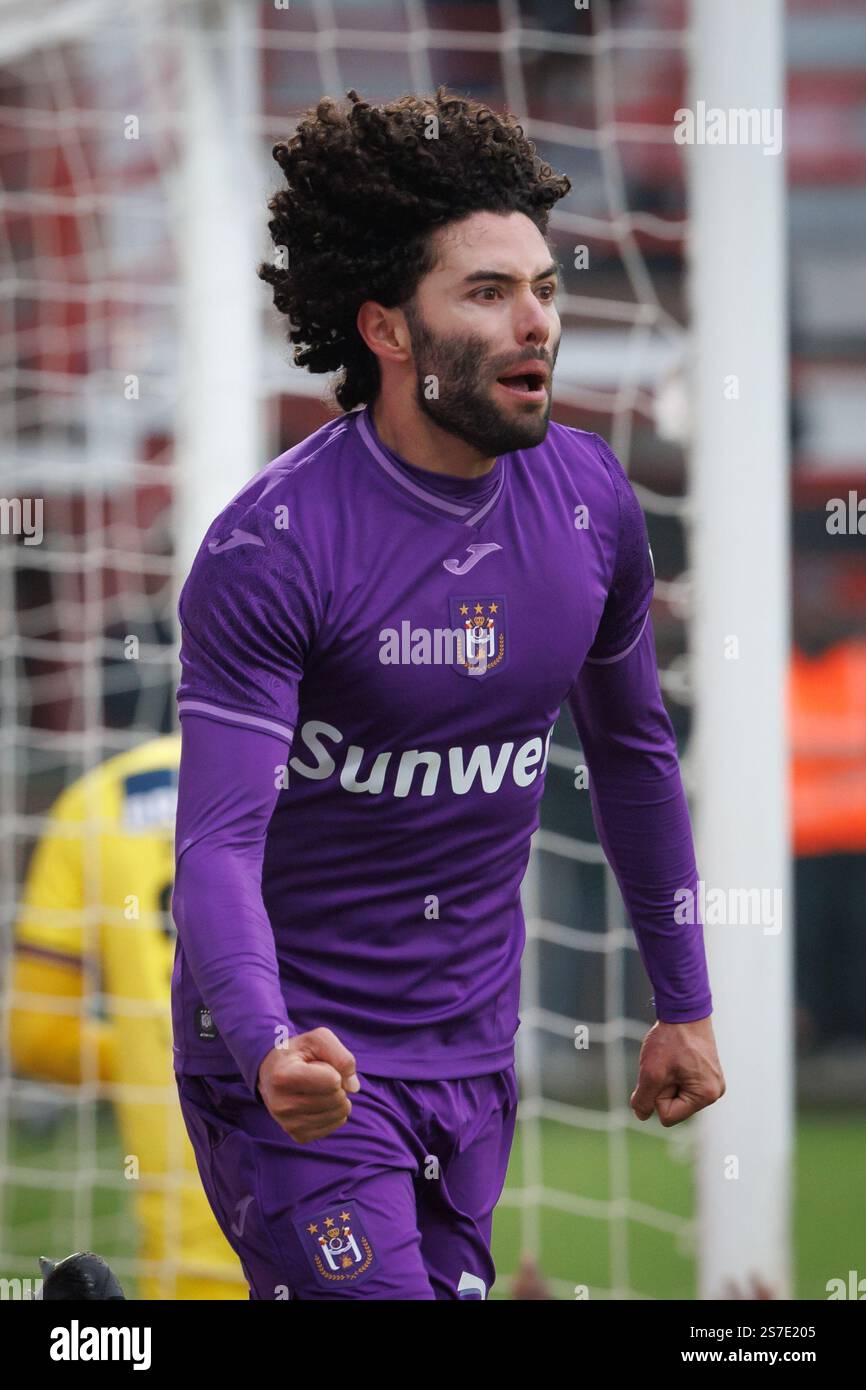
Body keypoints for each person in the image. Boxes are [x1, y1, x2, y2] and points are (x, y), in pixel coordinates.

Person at [171, 86, 724, 1302]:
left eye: (542, 287)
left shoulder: (590, 506)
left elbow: (632, 752)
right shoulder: (273, 548)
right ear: (386, 329)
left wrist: (681, 999)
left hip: (472, 1064)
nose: (534, 323)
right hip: (298, 1068)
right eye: (486, 292)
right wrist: (267, 1044)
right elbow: (213, 849)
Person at [11, 735, 247, 1299]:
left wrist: (150, 1057)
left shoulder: (98, 800)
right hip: (357, 1203)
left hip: (196, 1249)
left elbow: (36, 1036)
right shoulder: (364, 771)